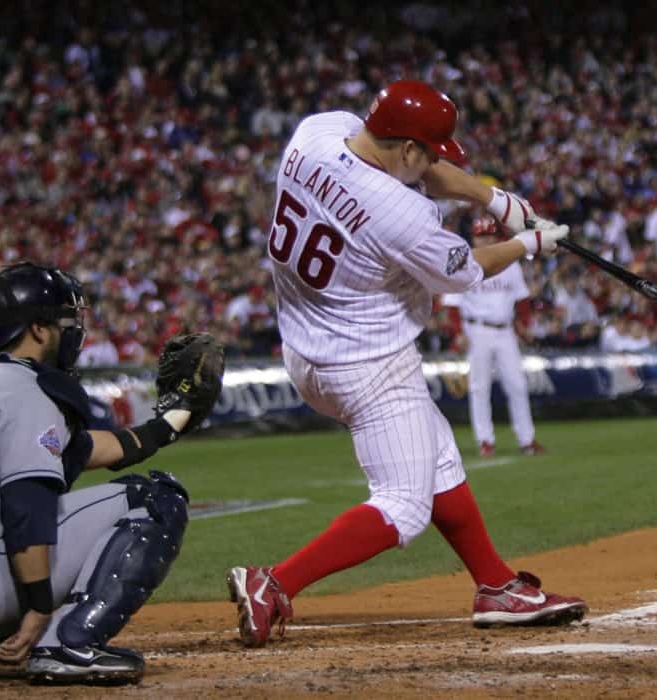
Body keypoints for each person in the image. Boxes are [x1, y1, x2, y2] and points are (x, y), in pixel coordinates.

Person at [226, 79, 586, 648]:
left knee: (438, 453)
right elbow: (465, 270)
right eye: (431, 153)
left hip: (304, 348)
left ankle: (495, 585)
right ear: (411, 151)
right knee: (405, 505)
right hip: (368, 364)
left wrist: (493, 201)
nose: (436, 163)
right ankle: (273, 582)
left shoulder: (316, 132)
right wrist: (530, 246)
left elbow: (408, 159)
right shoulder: (402, 212)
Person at [0, 262, 209, 685]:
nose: (73, 331)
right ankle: (67, 642)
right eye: (66, 321)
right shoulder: (22, 386)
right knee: (155, 498)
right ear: (37, 329)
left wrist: (174, 420)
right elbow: (27, 503)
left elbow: (90, 448)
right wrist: (36, 605)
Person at [442, 215, 545, 458]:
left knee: (517, 385)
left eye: (489, 235)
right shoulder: (464, 264)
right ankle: (485, 440)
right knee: (479, 387)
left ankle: (527, 440)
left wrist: (524, 325)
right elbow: (452, 303)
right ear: (474, 238)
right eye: (480, 235)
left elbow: (521, 300)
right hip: (476, 330)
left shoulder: (509, 264)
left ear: (495, 237)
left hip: (505, 331)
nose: (485, 239)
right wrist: (458, 332)